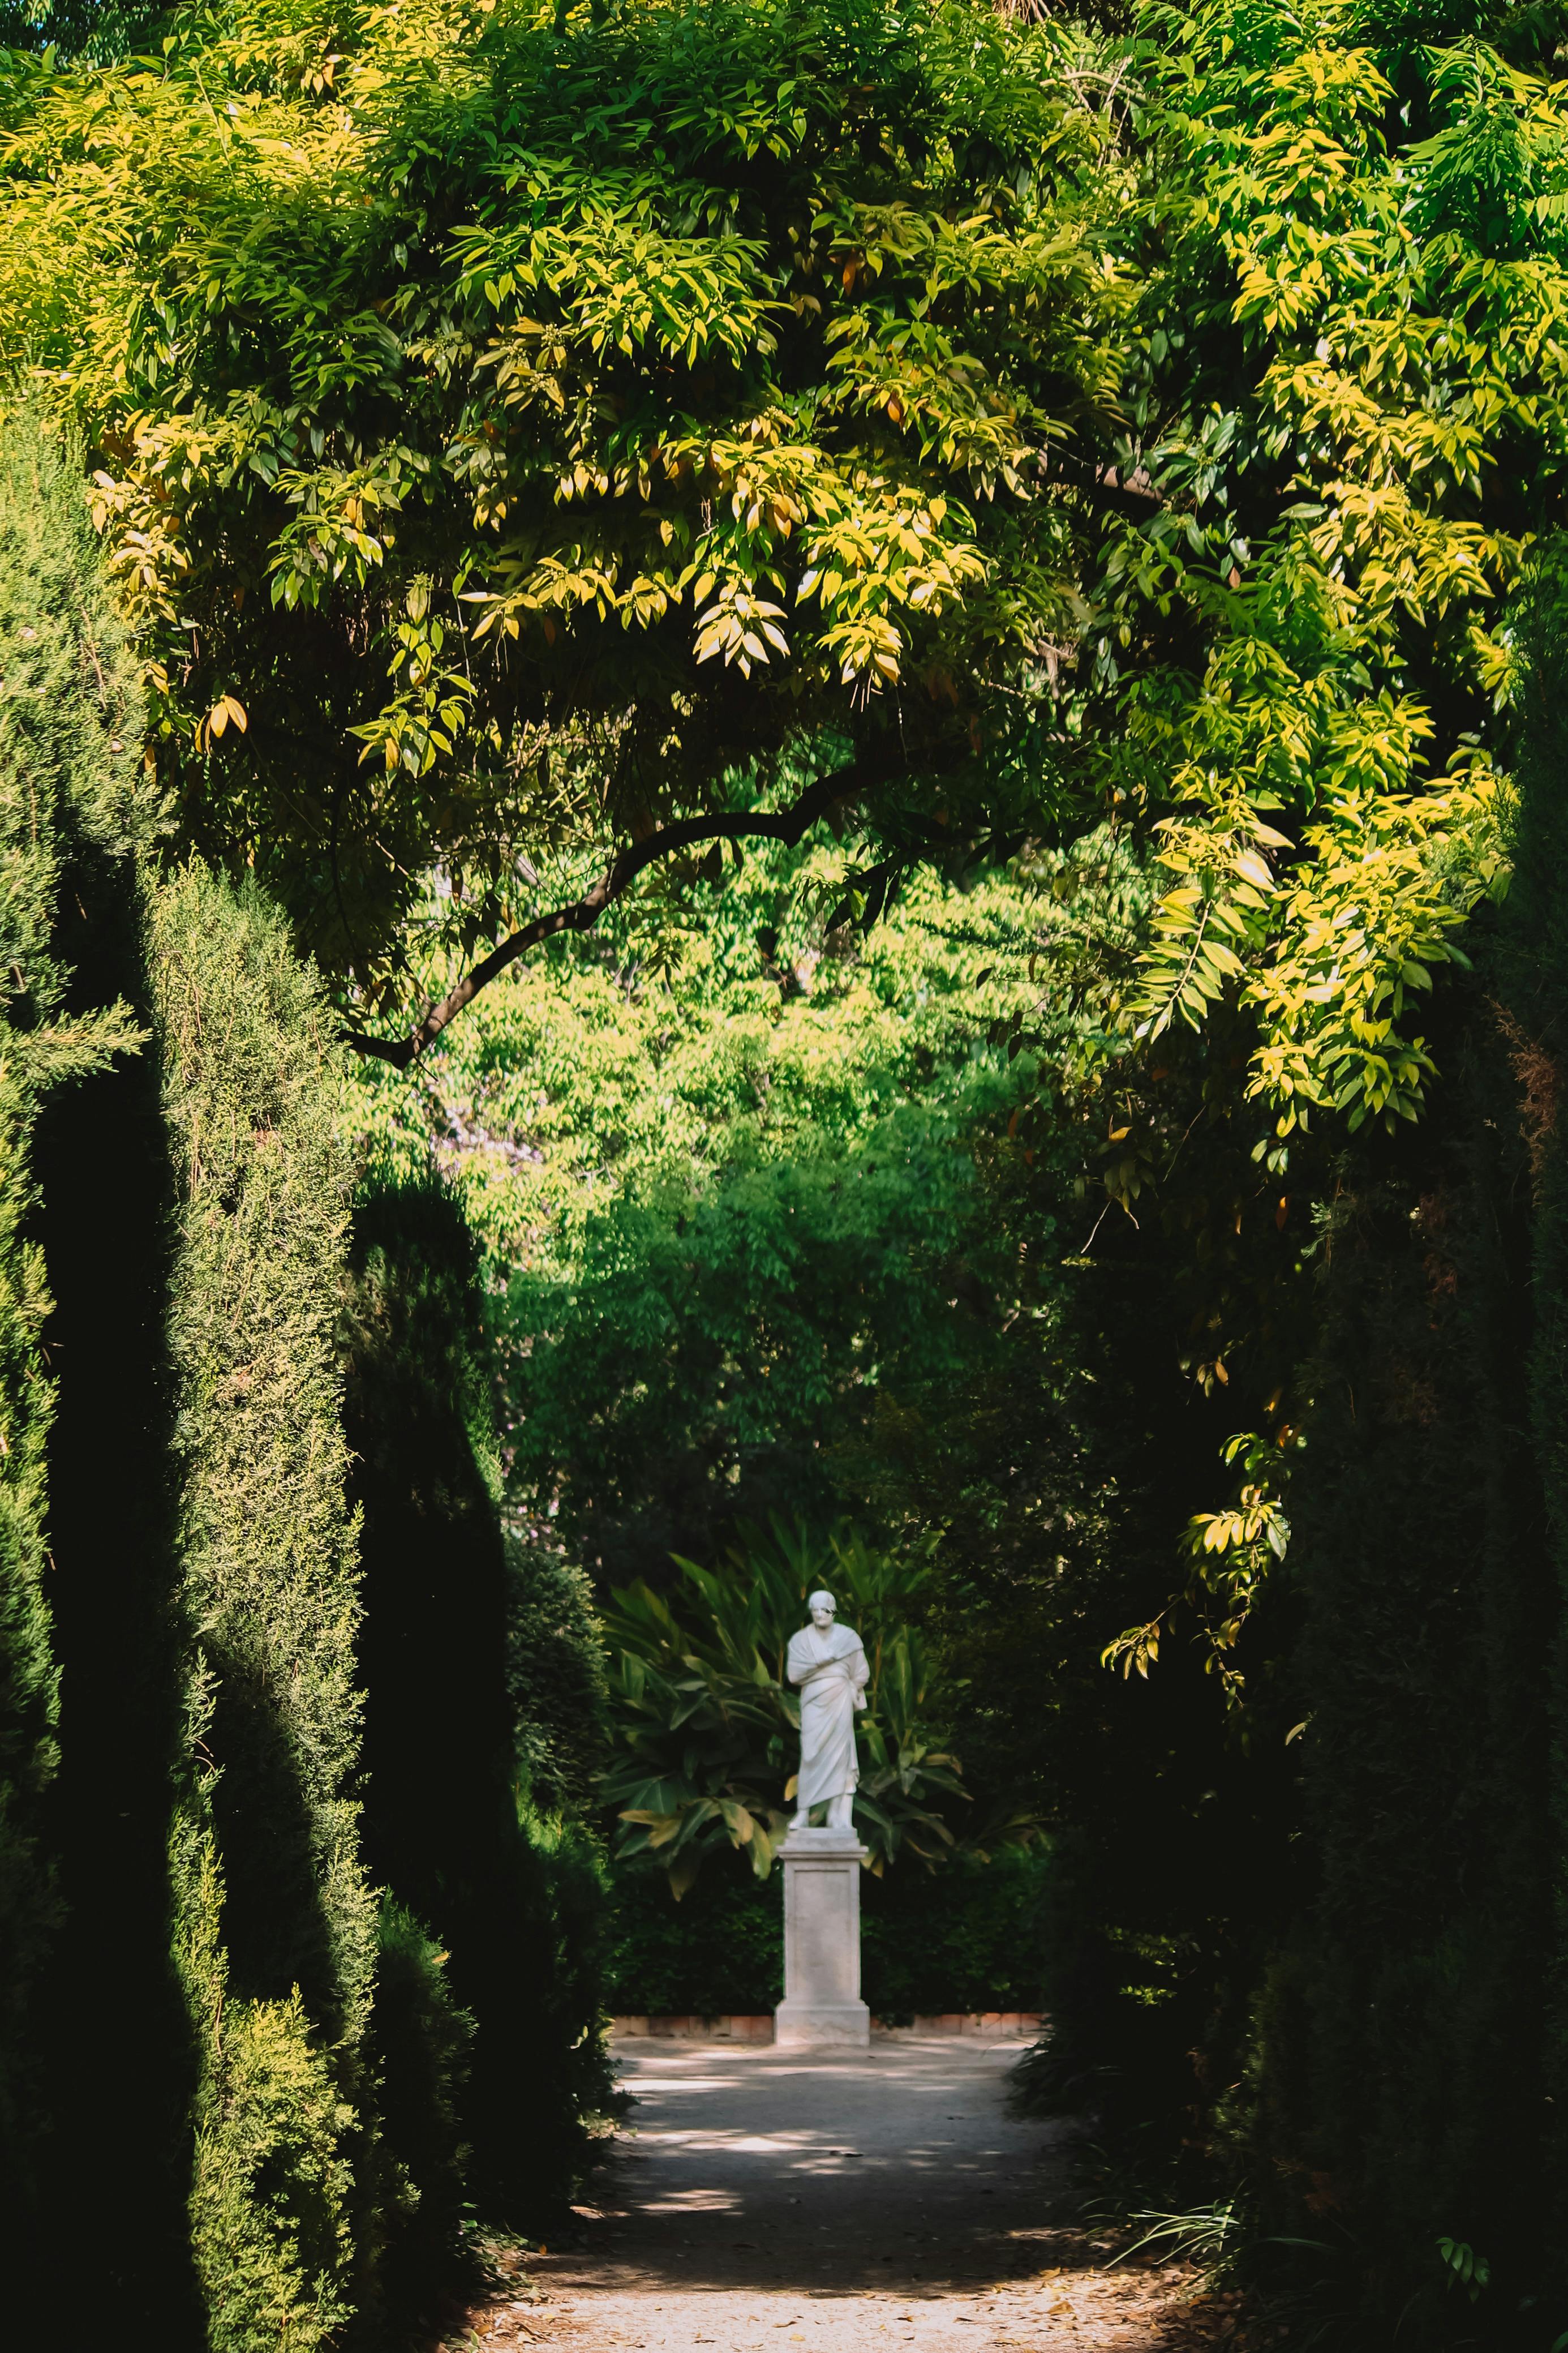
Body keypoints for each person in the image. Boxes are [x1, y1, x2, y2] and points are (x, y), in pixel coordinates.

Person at [785, 1589, 869, 1832]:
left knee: (840, 1758)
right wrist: (821, 1663)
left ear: (833, 1609)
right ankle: (803, 1814)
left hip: (840, 1704)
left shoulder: (849, 1638)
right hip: (813, 1705)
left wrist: (849, 1690)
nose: (820, 1614)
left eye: (825, 1609)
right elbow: (794, 1675)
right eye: (815, 1610)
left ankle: (839, 1817)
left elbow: (862, 1672)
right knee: (810, 1757)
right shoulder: (800, 1640)